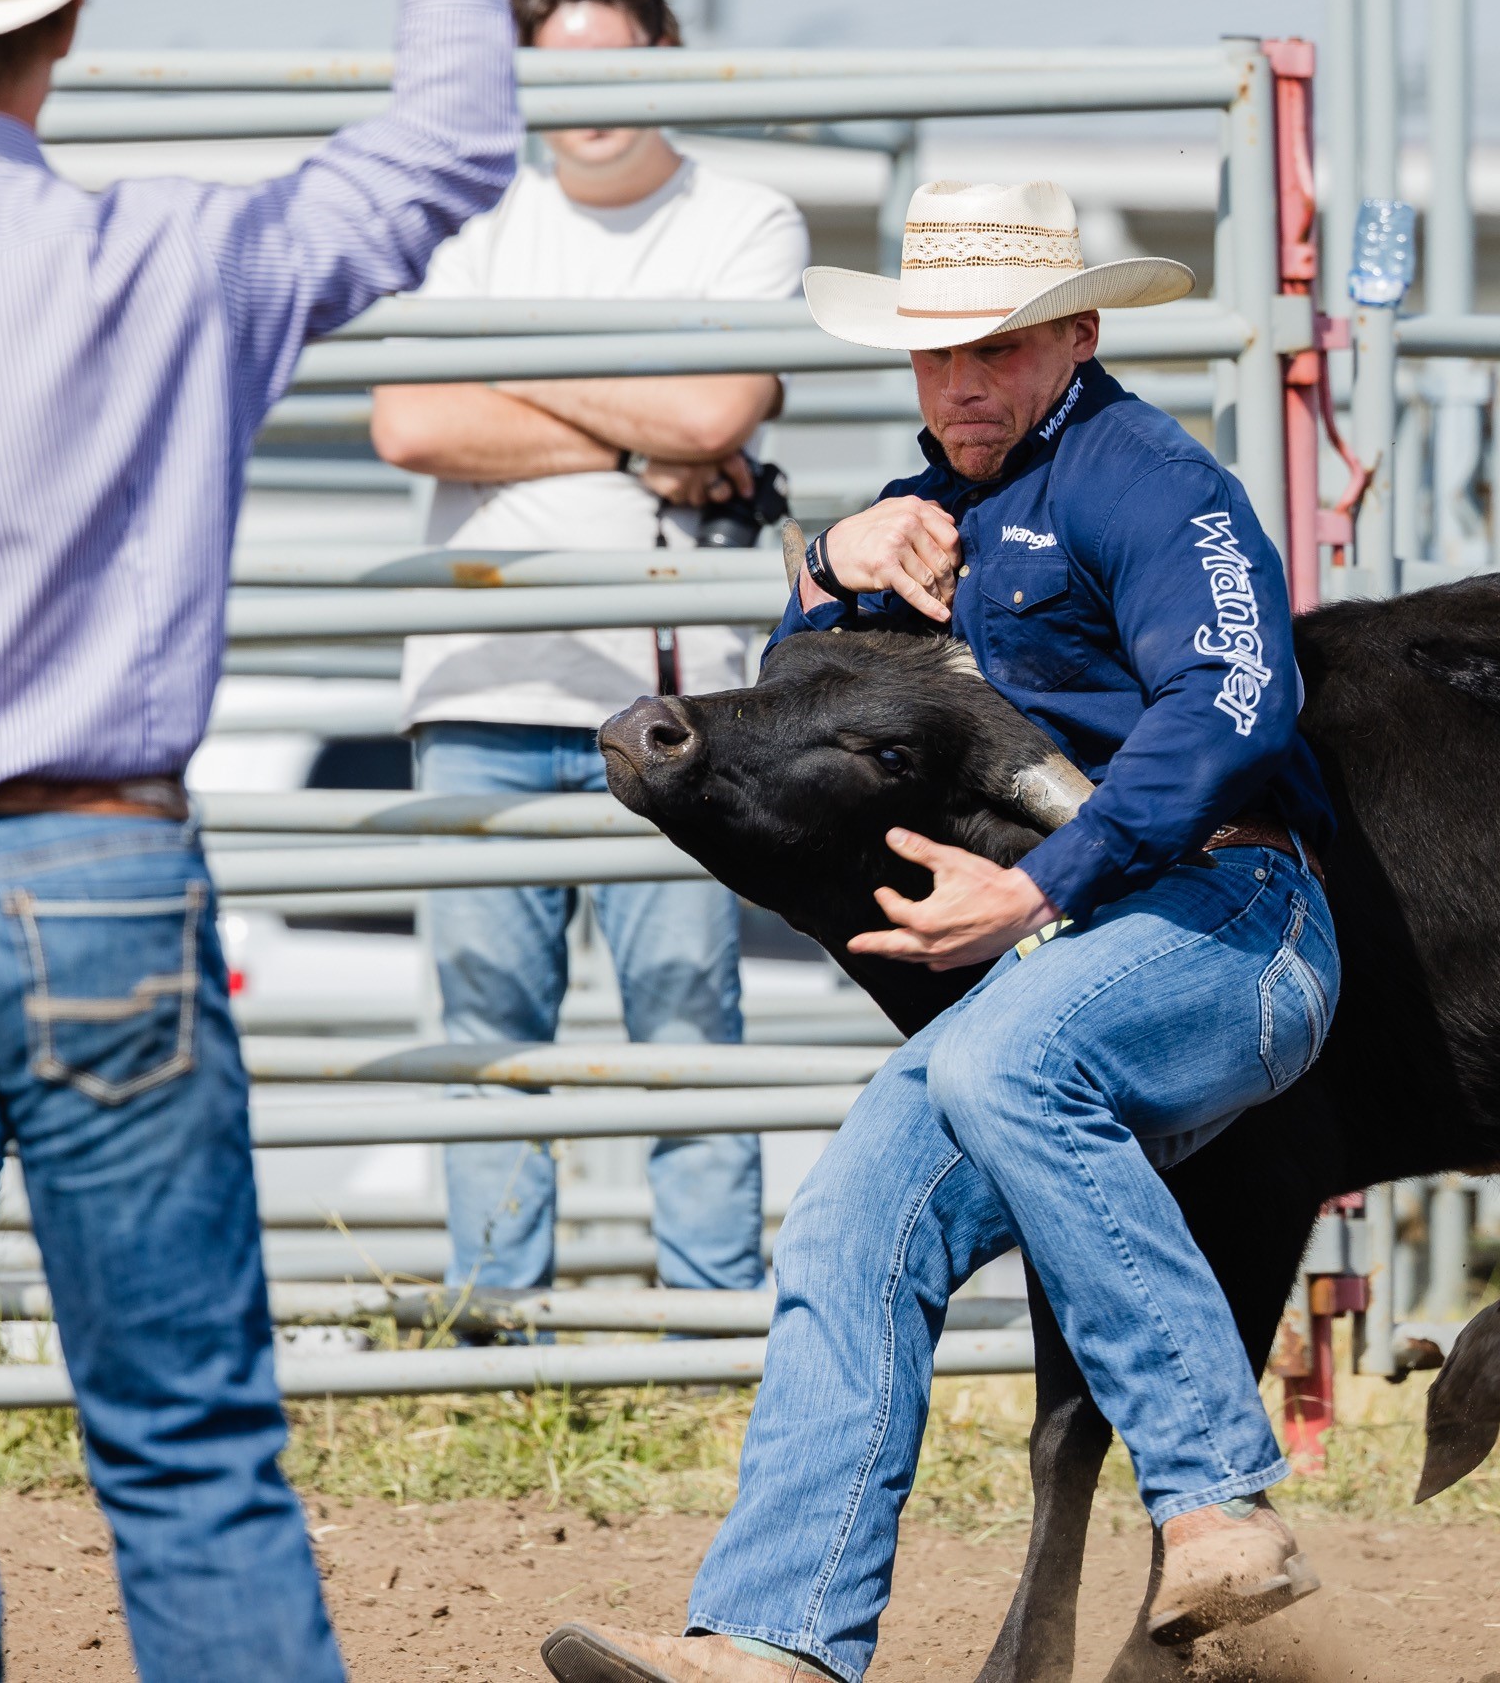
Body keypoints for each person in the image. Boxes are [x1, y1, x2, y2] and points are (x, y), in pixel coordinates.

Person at [0, 0, 516, 1677]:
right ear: (66, 24)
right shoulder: (175, 258)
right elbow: (452, 143)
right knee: (184, 1439)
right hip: (96, 860)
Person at [538, 181, 1343, 1683]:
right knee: (853, 1216)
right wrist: (823, 568)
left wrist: (1042, 883)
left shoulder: (1157, 486)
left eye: (997, 347)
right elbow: (808, 718)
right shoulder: (925, 516)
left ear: (1077, 335)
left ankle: (1216, 1494)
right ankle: (777, 1641)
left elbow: (1239, 706)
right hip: (1075, 959)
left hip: (1236, 918)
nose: (960, 382)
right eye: (933, 354)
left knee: (998, 1068)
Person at [372, 0, 807, 1299]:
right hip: (482, 688)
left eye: (613, 60)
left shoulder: (748, 213)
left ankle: (707, 1336)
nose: (589, 97)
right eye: (554, 70)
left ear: (663, 50)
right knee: (491, 1030)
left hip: (677, 704)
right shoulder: (467, 218)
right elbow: (410, 422)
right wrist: (634, 432)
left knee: (687, 1019)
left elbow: (711, 417)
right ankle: (503, 1337)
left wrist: (507, 355)